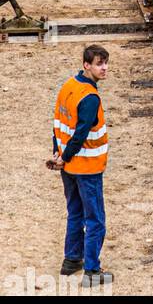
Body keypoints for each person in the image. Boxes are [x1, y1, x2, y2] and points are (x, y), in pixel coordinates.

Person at [49, 45, 112, 286]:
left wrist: (58, 152)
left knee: (75, 212)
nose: (104, 68)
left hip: (69, 169)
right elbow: (81, 133)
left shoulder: (68, 87)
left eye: (105, 63)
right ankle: (93, 272)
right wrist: (65, 156)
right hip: (87, 168)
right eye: (99, 63)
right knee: (95, 219)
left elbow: (57, 122)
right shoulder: (90, 98)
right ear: (87, 65)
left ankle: (71, 260)